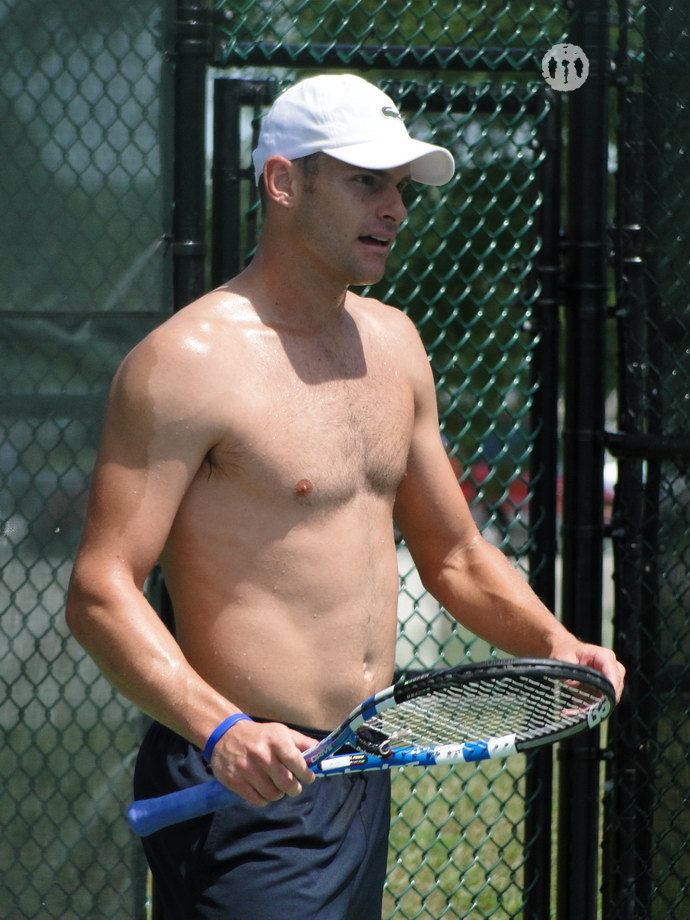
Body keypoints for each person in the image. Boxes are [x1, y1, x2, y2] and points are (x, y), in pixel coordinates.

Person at [66, 74, 625, 920]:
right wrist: (222, 732)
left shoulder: (395, 343)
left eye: (400, 186)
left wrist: (555, 642)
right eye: (367, 181)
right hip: (244, 778)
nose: (395, 207)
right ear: (284, 182)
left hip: (361, 771)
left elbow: (457, 554)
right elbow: (99, 591)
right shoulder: (183, 364)